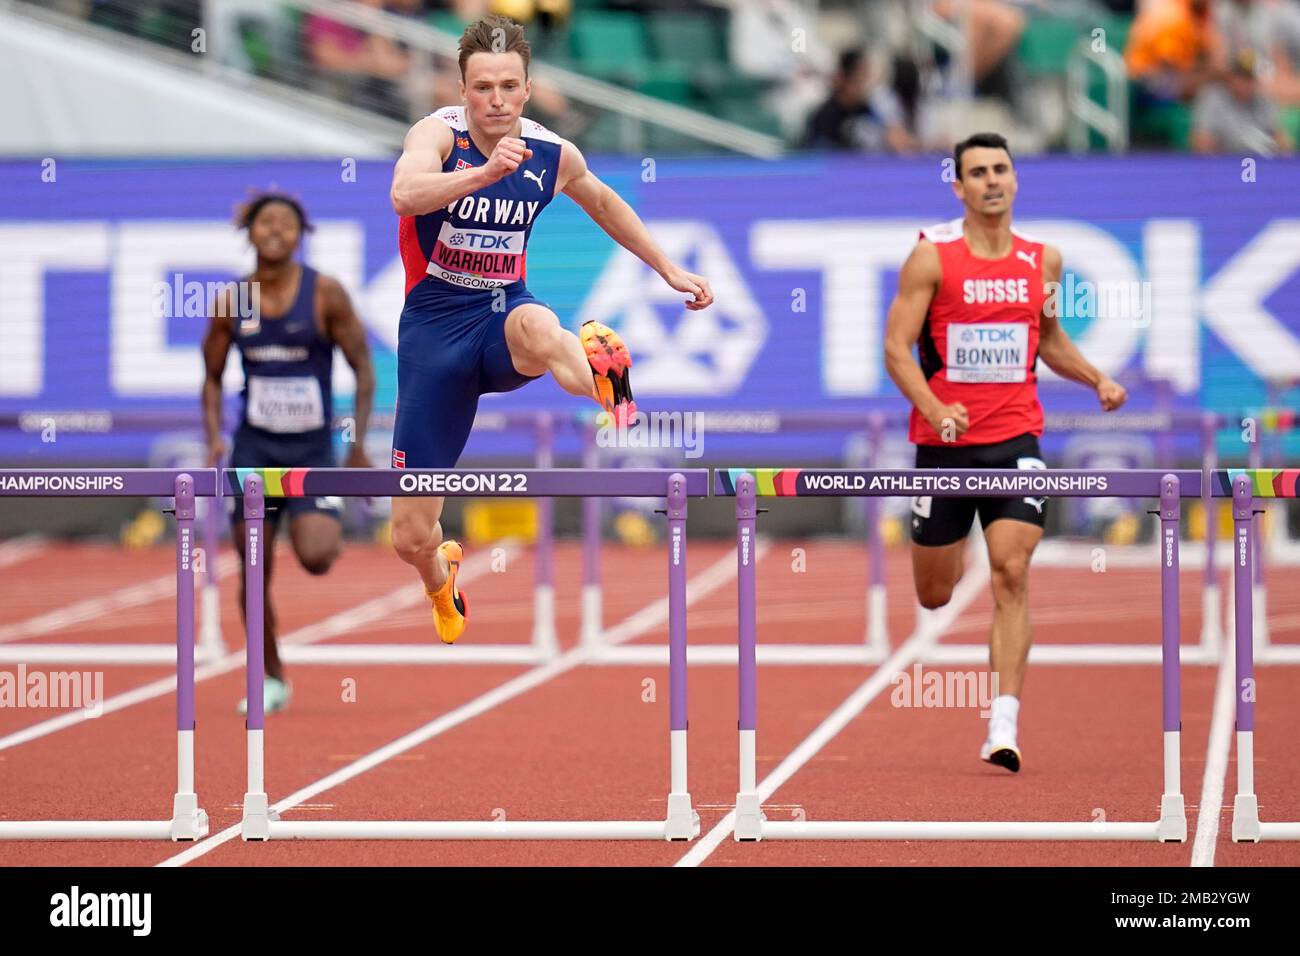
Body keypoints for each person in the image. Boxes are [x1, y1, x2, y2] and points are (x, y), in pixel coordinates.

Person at [387, 15, 713, 645]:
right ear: (461, 88)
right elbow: (406, 194)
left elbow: (604, 203)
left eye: (509, 86)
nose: (497, 100)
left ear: (528, 89)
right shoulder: (435, 134)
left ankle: (607, 387)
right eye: (483, 87)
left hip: (502, 310)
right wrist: (481, 175)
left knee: (541, 326)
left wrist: (668, 268)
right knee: (409, 535)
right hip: (433, 329)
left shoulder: (551, 152)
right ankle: (440, 575)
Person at [883, 132, 1128, 773]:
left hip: (1017, 438)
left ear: (1015, 181)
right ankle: (950, 543)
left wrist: (1096, 376)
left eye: (1001, 170)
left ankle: (1003, 722)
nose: (991, 180)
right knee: (935, 594)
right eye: (978, 173)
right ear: (959, 187)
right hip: (943, 445)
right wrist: (936, 410)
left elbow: (1048, 339)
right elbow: (895, 349)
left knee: (1012, 573)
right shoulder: (930, 258)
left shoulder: (1043, 261)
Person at [201, 193, 376, 714]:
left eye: (287, 224)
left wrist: (358, 444)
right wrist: (214, 435)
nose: (276, 231)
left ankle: (322, 517)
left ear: (302, 234)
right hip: (254, 450)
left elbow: (364, 370)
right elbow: (211, 378)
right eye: (266, 223)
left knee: (317, 556)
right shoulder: (234, 301)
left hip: (312, 452)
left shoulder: (324, 294)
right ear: (249, 232)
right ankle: (271, 677)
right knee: (253, 572)